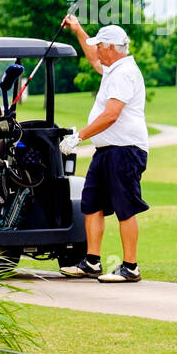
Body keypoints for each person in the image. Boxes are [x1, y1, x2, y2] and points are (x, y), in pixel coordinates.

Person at [57, 19, 150, 283]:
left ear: (110, 47)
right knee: (92, 203)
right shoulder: (113, 67)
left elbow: (111, 115)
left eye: (99, 46)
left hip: (125, 150)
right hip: (107, 150)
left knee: (125, 207)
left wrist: (79, 137)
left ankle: (130, 266)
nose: (97, 51)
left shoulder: (124, 74)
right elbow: (94, 61)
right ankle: (91, 262)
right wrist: (78, 30)